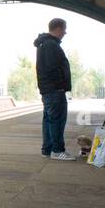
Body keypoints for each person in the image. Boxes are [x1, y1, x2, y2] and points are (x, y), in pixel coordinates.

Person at [34, 17, 74, 161]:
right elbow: (53, 68)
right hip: (54, 90)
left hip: (48, 89)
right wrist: (60, 86)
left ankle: (47, 149)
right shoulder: (51, 44)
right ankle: (57, 150)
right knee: (57, 120)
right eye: (64, 29)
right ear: (58, 29)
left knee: (49, 119)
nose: (65, 32)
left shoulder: (44, 44)